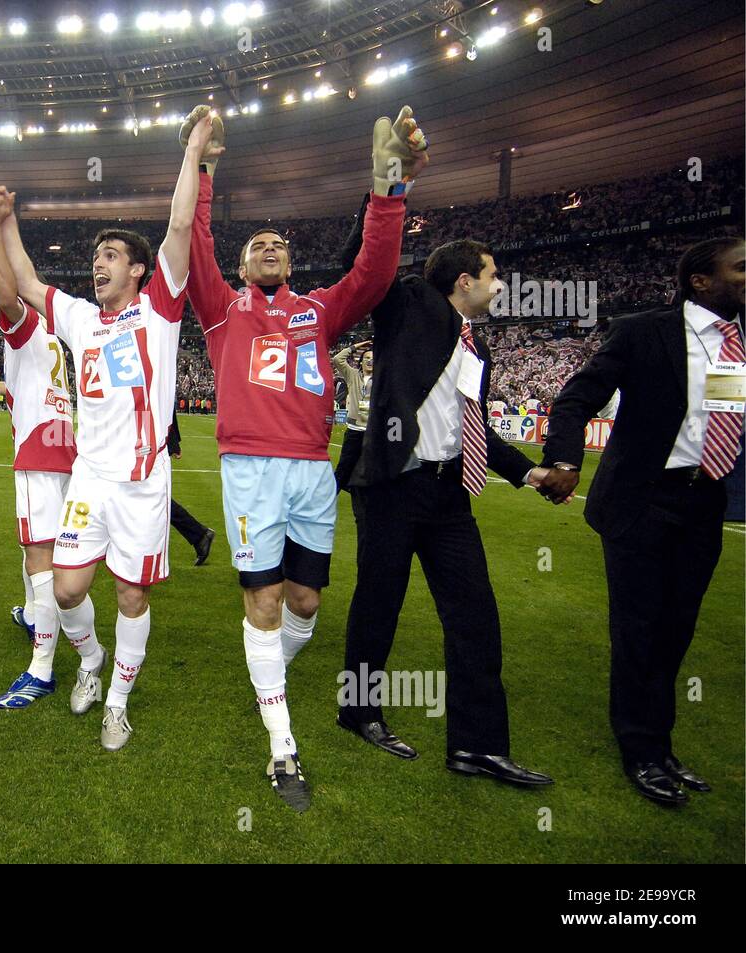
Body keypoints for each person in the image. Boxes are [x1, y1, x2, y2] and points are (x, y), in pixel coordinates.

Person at [183, 104, 423, 809]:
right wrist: (204, 169)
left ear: (290, 262)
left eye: (278, 244)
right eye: (255, 244)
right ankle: (281, 745)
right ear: (238, 263)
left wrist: (389, 188)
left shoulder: (318, 311)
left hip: (313, 471)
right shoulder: (222, 309)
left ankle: (266, 669)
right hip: (251, 469)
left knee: (305, 601)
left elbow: (374, 273)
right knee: (261, 599)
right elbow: (194, 246)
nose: (268, 248)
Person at [0, 107, 206, 752]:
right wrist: (8, 218)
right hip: (89, 478)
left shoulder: (159, 309)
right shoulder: (78, 319)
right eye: (96, 255)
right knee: (69, 587)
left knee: (132, 594)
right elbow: (24, 280)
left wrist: (193, 152)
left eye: (111, 255)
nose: (99, 262)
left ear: (138, 271)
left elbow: (181, 224)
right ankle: (91, 659)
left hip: (143, 482)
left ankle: (119, 702)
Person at [341, 236, 556, 788]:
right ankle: (359, 710)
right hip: (394, 487)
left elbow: (476, 425)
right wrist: (387, 184)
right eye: (493, 272)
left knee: (475, 615)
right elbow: (360, 268)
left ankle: (477, 746)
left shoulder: (476, 348)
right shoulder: (411, 301)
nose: (500, 283)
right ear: (465, 280)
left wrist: (528, 472)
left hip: (448, 495)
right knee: (378, 604)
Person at [539, 236, 745, 805]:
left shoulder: (738, 344)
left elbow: (725, 417)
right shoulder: (643, 330)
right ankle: (642, 751)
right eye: (742, 266)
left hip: (704, 502)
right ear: (701, 280)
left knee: (677, 629)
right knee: (639, 630)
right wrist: (562, 460)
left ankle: (660, 742)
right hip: (642, 501)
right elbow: (576, 398)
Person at [0, 194, 81, 708]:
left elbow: (8, 289)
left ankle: (42, 669)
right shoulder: (59, 340)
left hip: (39, 457)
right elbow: (24, 391)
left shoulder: (28, 329)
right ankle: (35, 615)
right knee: (38, 553)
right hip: (66, 450)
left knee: (41, 557)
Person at [166, 411, 215, 565]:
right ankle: (199, 535)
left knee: (154, 499)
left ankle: (200, 535)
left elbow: (163, 400)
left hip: (144, 441)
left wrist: (172, 441)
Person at [332, 341, 373, 491]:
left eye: (373, 358)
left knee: (369, 472)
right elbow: (337, 359)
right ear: (361, 361)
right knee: (344, 467)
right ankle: (329, 500)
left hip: (372, 432)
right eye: (367, 358)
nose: (370, 361)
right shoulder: (353, 375)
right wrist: (356, 346)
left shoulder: (382, 378)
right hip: (355, 430)